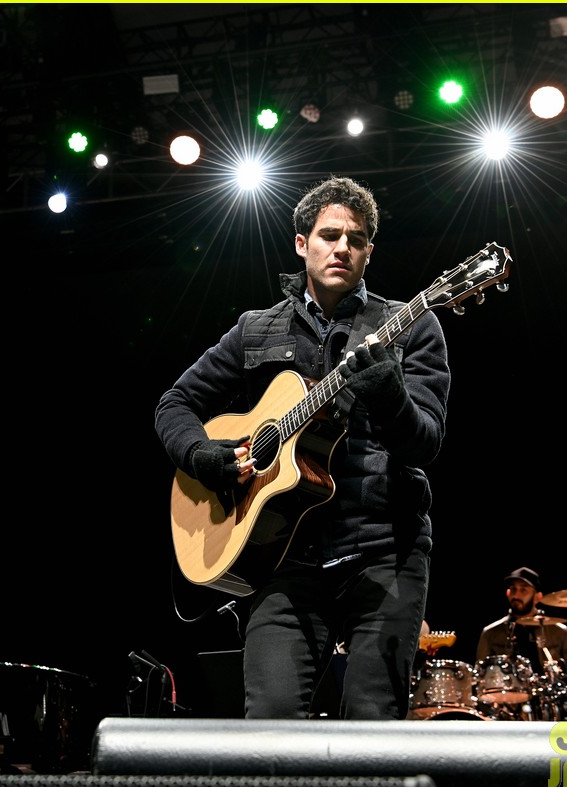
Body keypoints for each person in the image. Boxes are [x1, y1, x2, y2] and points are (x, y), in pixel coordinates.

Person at [154, 176, 450, 720]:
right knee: (268, 733)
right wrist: (207, 457)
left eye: (356, 239)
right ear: (301, 243)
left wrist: (389, 396)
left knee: (373, 729)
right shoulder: (255, 330)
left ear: (369, 252)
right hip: (282, 558)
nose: (343, 247)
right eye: (330, 235)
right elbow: (173, 405)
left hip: (385, 551)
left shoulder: (411, 326)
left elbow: (425, 442)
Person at [476, 566, 567, 699]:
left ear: (538, 597)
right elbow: (480, 677)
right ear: (507, 593)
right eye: (513, 589)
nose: (516, 595)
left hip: (550, 700)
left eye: (523, 590)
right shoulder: (491, 633)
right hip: (507, 701)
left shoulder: (558, 631)